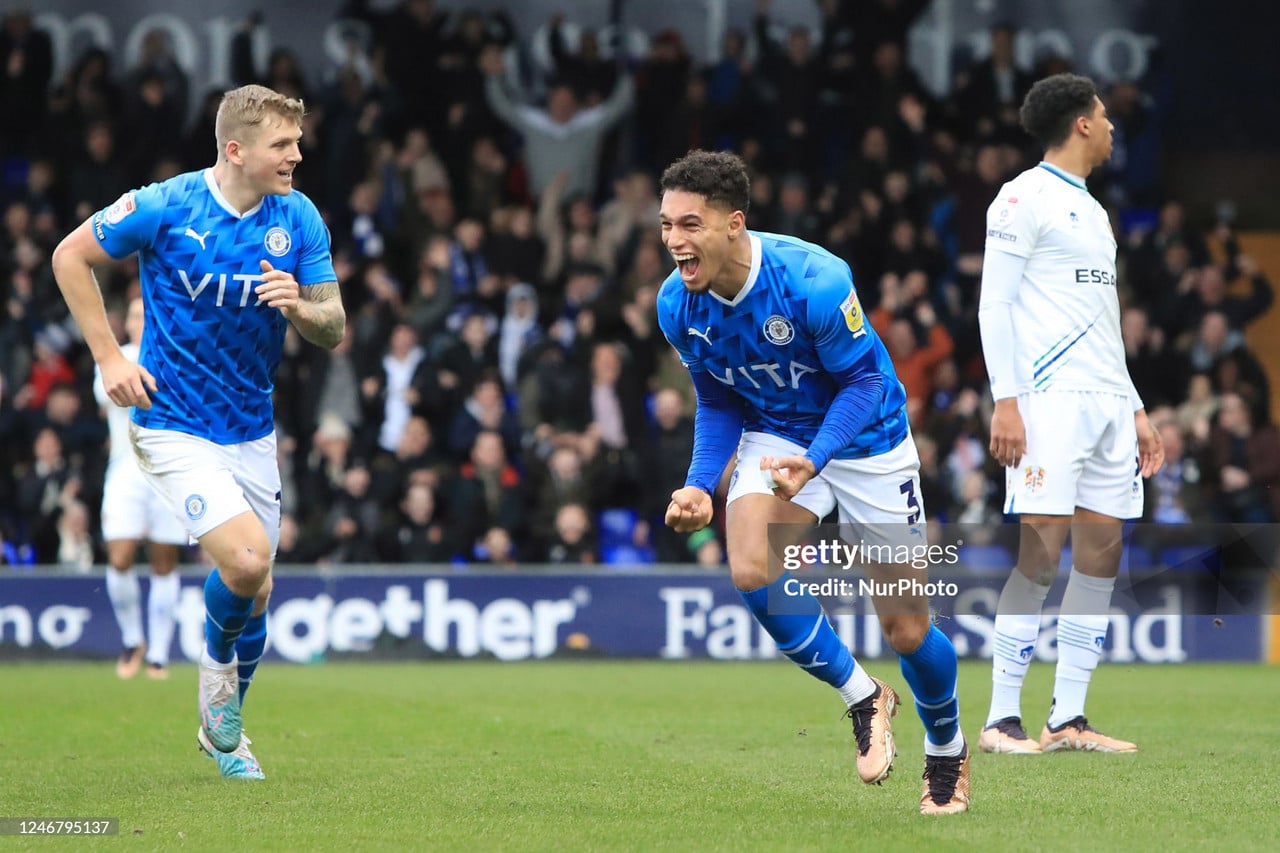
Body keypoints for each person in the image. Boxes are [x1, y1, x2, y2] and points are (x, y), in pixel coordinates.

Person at [656, 150, 970, 815]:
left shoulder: (815, 280)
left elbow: (866, 382)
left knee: (908, 629)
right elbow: (717, 401)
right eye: (665, 226)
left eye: (690, 224)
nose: (675, 242)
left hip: (867, 440)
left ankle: (946, 745)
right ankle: (864, 696)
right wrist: (700, 484)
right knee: (748, 564)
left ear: (733, 224)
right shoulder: (676, 305)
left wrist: (819, 457)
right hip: (778, 437)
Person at [52, 84, 345, 780]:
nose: (296, 156)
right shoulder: (164, 205)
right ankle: (216, 694)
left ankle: (225, 735)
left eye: (296, 143)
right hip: (171, 420)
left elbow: (334, 326)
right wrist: (110, 356)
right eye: (283, 145)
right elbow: (70, 257)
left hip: (249, 426)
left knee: (259, 587)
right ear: (237, 150)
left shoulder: (298, 217)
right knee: (244, 563)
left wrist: (299, 306)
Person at [977, 73, 1164, 754]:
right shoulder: (1020, 197)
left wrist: (1135, 405)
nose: (1113, 126)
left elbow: (1103, 320)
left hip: (1107, 404)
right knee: (1040, 551)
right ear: (1082, 123)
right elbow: (994, 305)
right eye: (1105, 115)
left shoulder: (1095, 211)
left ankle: (1068, 717)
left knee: (1102, 554)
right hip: (1048, 402)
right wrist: (1007, 398)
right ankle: (1001, 719)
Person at [94, 297, 188, 681]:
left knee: (164, 560)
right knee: (120, 555)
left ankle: (160, 655)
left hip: (168, 468)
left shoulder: (176, 351)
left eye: (145, 313)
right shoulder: (116, 358)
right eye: (134, 314)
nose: (139, 320)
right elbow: (113, 395)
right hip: (126, 468)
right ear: (127, 322)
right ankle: (133, 639)